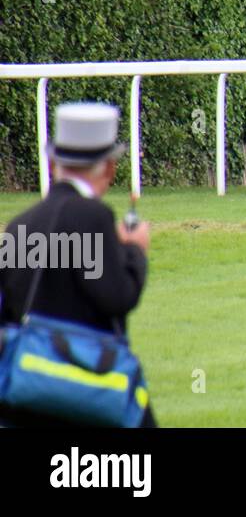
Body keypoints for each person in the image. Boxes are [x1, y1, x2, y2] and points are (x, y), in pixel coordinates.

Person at [0, 102, 154, 427]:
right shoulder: (94, 216)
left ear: (54, 161)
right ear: (110, 167)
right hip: (82, 385)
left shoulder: (19, 225)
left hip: (25, 384)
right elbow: (117, 297)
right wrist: (135, 253)